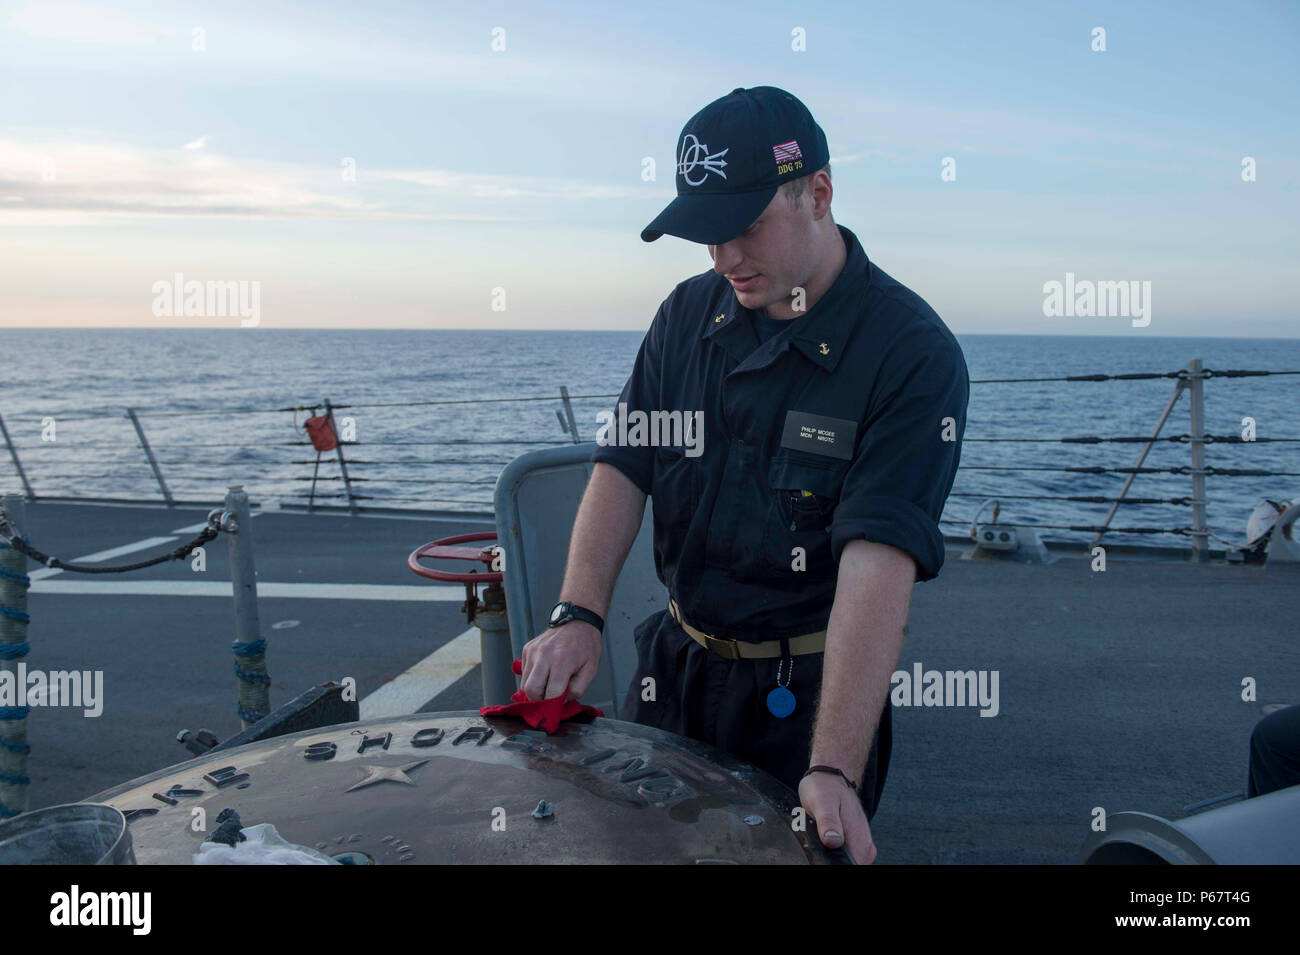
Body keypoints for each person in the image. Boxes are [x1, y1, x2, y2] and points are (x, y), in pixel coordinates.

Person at [520, 86, 969, 864]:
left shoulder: (912, 354)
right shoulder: (685, 316)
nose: (723, 257)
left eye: (743, 227)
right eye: (706, 234)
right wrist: (577, 611)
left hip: (807, 701)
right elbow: (625, 466)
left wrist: (832, 766)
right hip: (676, 669)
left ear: (818, 193)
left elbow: (877, 562)